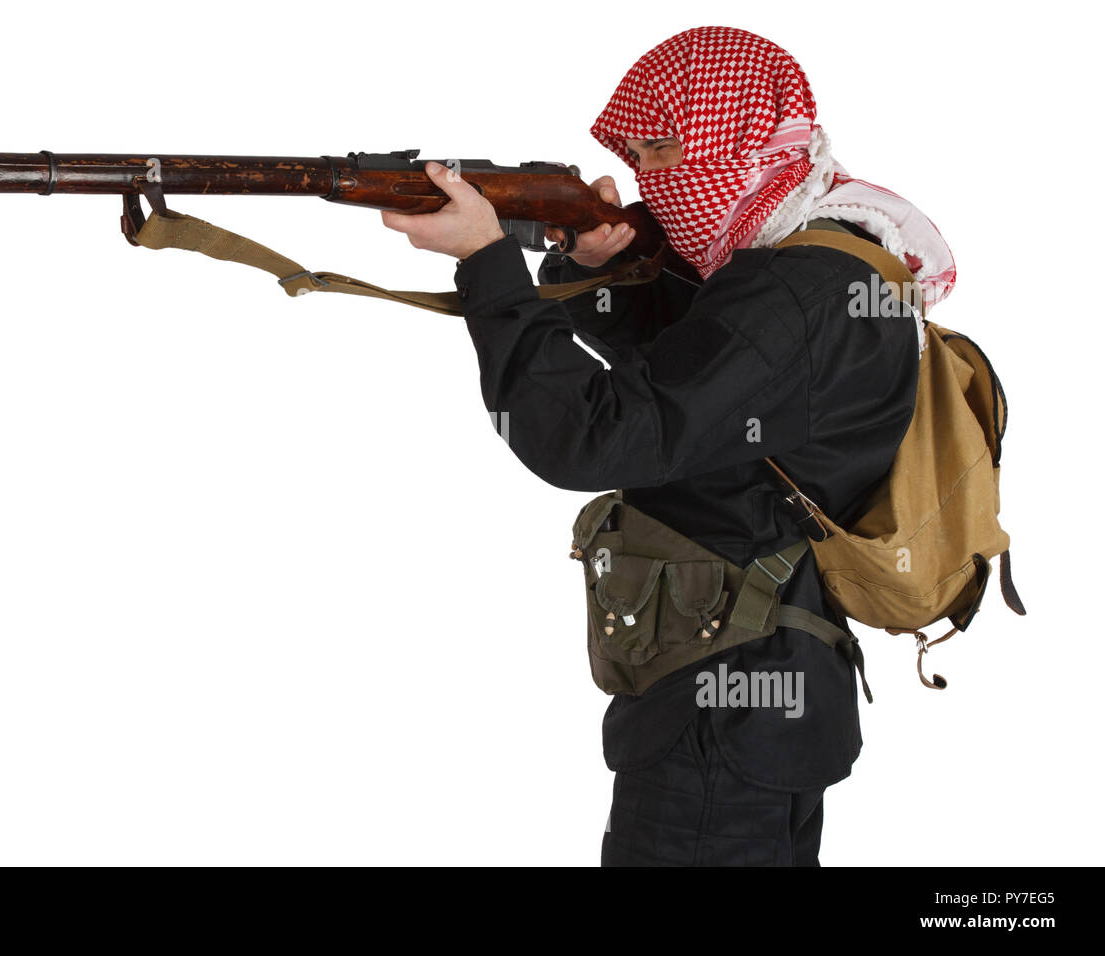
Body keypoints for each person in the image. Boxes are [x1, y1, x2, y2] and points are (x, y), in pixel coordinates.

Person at [381, 25, 955, 866]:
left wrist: (487, 263)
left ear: (741, 138)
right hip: (761, 694)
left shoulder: (792, 289)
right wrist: (606, 271)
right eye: (638, 153)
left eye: (668, 149)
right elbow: (701, 387)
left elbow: (596, 436)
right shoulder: (823, 255)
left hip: (717, 721)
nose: (651, 178)